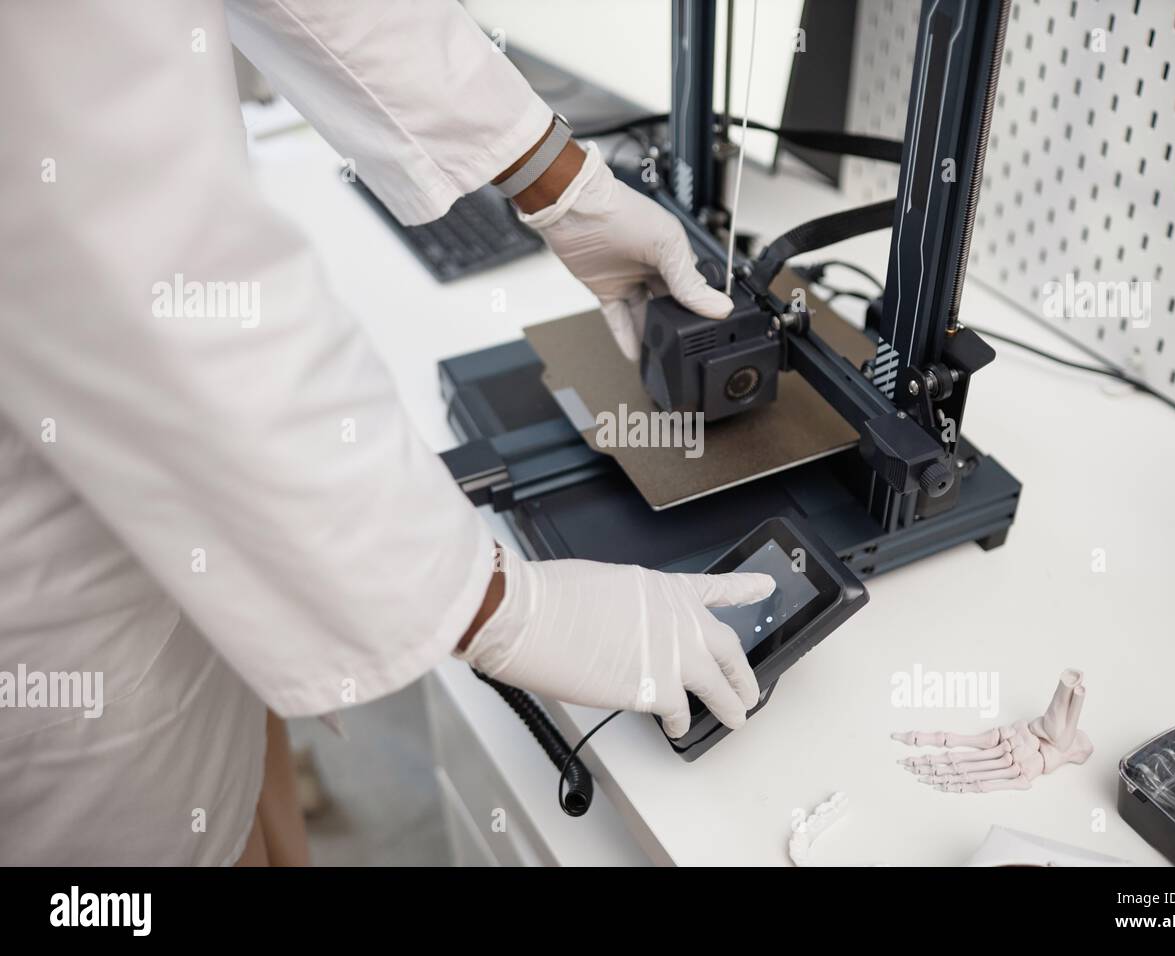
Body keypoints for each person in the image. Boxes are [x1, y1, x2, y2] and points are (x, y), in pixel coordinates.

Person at [0, 0, 773, 866]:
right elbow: (136, 270)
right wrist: (503, 610)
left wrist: (563, 182)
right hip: (54, 592)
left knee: (235, 777)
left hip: (168, 549)